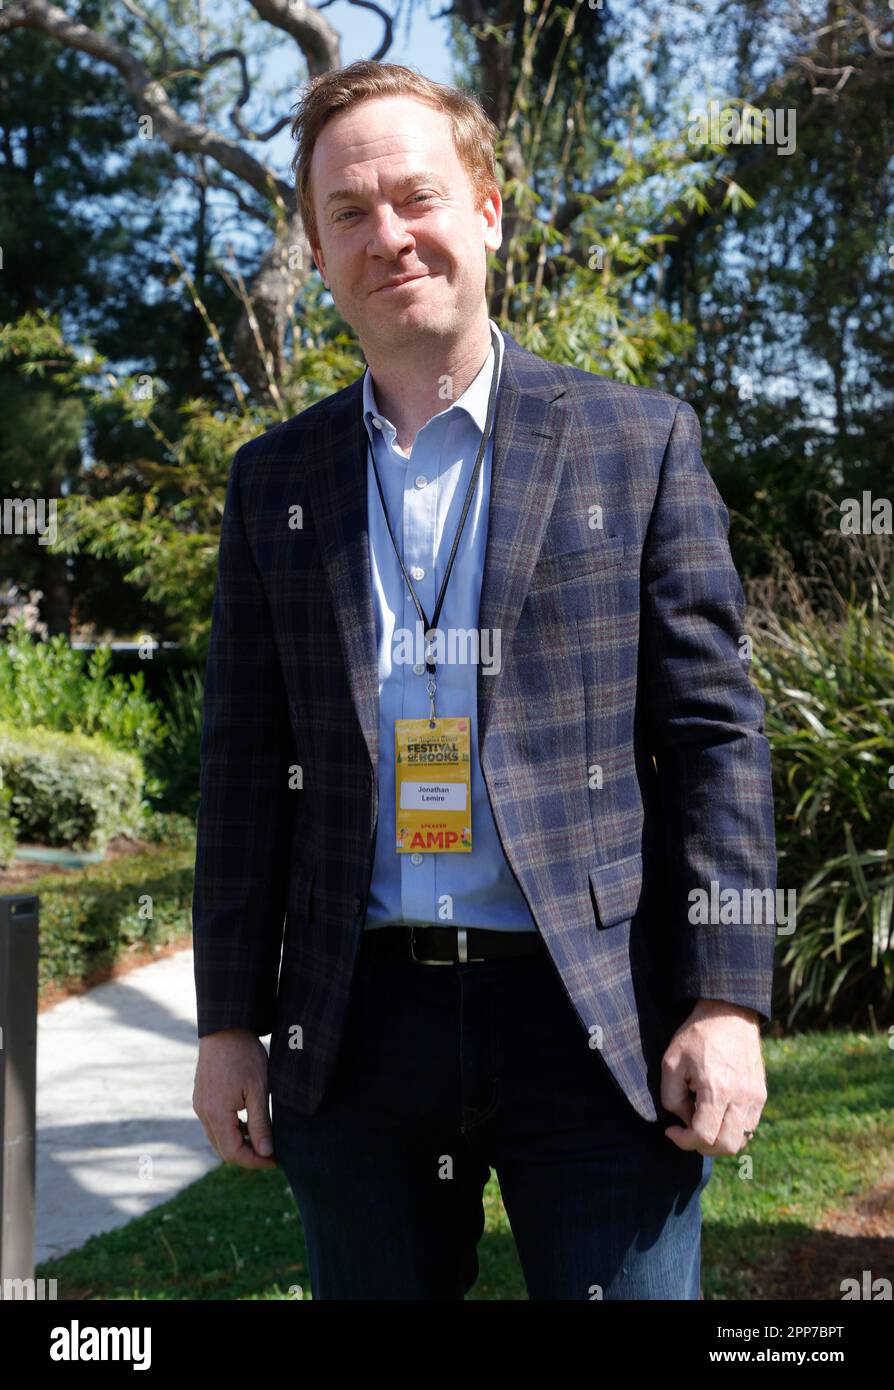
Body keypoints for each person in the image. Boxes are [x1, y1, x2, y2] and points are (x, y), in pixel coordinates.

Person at [192, 60, 776, 1301]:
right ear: (317, 246)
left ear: (490, 208)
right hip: (358, 1031)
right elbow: (243, 769)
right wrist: (227, 1022)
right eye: (347, 212)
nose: (387, 233)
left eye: (416, 195)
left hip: (594, 1016)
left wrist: (728, 1002)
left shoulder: (638, 439)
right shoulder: (273, 481)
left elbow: (716, 734)